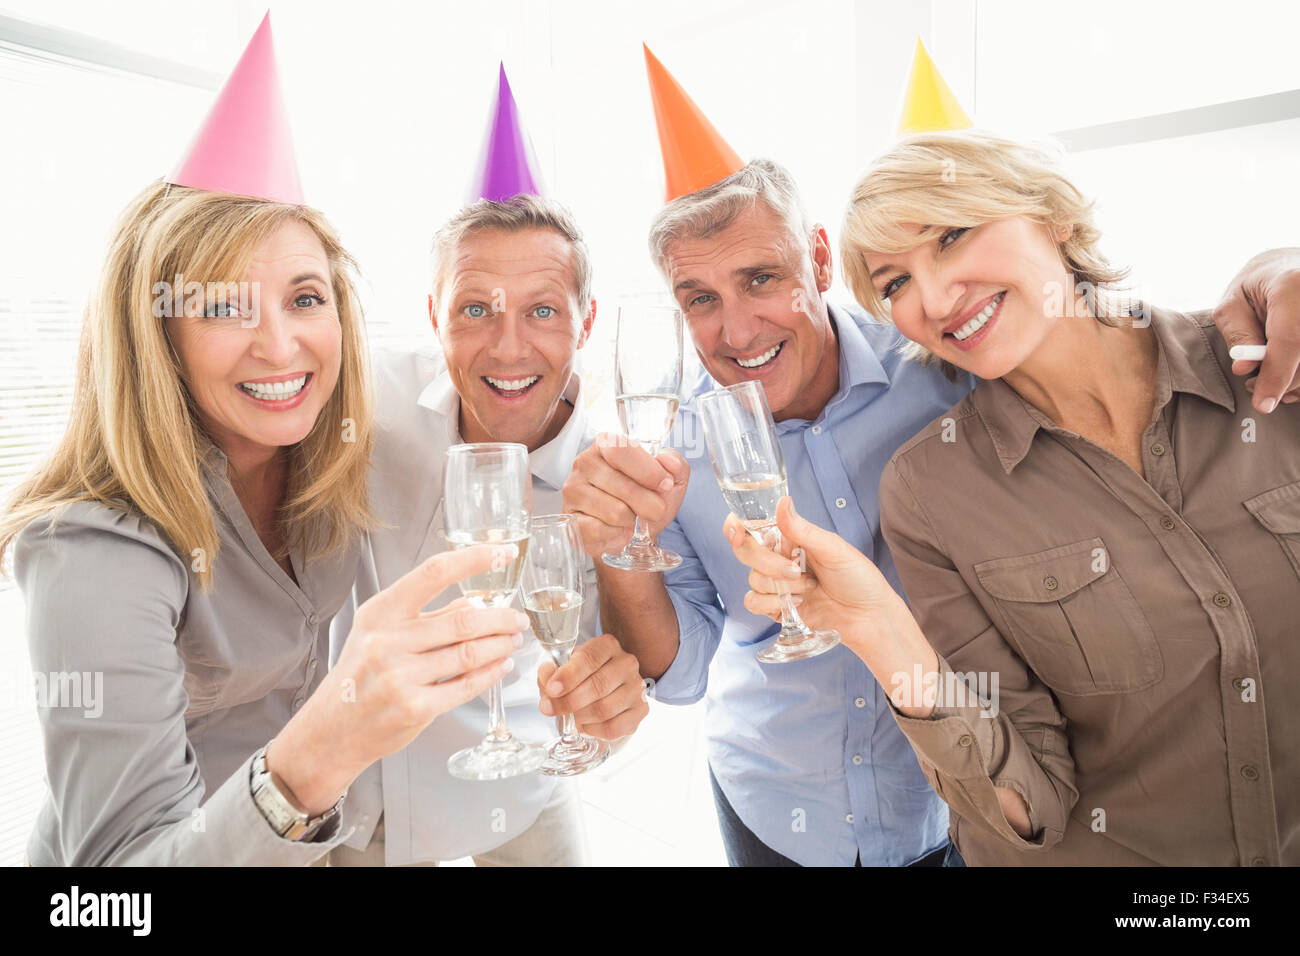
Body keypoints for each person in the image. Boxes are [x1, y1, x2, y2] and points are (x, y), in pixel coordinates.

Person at [564, 155, 1300, 866]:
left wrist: (1274, 267)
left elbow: (1091, 339)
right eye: (700, 299)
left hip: (950, 802)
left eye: (761, 279)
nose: (738, 330)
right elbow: (681, 674)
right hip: (782, 801)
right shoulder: (669, 445)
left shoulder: (947, 364)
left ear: (818, 261)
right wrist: (620, 551)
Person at [0, 179, 526, 866]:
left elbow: (497, 379)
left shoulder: (329, 450)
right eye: (223, 307)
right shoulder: (93, 548)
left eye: (305, 298)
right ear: (156, 336)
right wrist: (325, 747)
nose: (280, 348)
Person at [329, 195, 650, 867]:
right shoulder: (366, 399)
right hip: (360, 784)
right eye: (475, 310)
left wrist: (605, 716)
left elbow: (605, 680)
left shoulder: (610, 480)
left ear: (585, 322)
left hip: (520, 780)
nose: (509, 347)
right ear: (433, 317)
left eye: (542, 310)